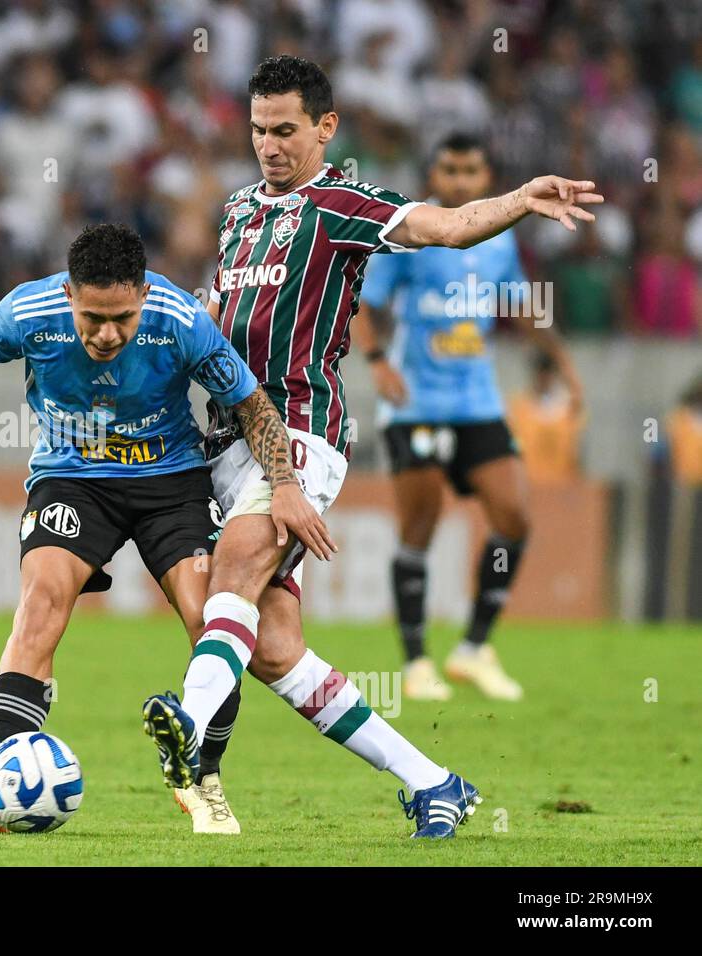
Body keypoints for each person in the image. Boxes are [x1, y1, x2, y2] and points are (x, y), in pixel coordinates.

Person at [143, 56, 602, 838]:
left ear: (326, 128)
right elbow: (214, 308)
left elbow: (448, 228)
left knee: (239, 564)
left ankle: (187, 721)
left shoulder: (342, 203)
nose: (269, 145)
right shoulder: (237, 213)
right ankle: (433, 782)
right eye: (257, 130)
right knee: (277, 651)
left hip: (300, 433)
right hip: (224, 439)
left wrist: (520, 201)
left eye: (285, 130)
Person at [0, 223, 327, 834]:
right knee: (41, 604)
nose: (108, 334)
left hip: (171, 484)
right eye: (92, 318)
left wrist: (288, 485)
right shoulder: (29, 311)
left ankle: (203, 779)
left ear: (143, 295)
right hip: (73, 480)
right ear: (69, 298)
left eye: (123, 318)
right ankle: (1, 783)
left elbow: (251, 403)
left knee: (210, 620)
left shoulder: (180, 319)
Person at [351, 132, 585, 701]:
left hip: (477, 404)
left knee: (513, 518)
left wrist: (564, 368)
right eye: (450, 171)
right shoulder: (412, 236)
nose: (459, 181)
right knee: (420, 528)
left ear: (486, 178)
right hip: (417, 406)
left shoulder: (499, 243)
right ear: (435, 177)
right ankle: (416, 662)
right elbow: (364, 304)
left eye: (470, 171)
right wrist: (378, 362)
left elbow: (522, 309)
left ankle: (474, 647)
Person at [508, 352, 585, 486]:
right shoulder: (518, 408)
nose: (544, 377)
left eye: (548, 371)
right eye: (541, 371)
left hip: (563, 486)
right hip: (528, 485)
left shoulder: (570, 409)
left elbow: (578, 454)